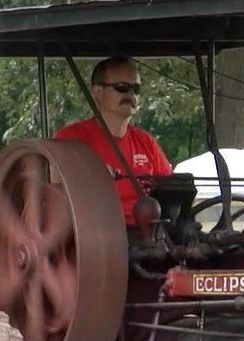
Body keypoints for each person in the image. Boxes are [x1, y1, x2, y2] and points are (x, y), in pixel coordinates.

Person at [53, 56, 173, 221]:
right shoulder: (70, 138)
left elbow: (172, 191)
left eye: (136, 88)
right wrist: (90, 175)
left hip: (148, 233)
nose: (130, 94)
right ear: (98, 92)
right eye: (122, 87)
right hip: (96, 232)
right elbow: (55, 190)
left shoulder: (146, 142)